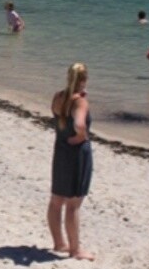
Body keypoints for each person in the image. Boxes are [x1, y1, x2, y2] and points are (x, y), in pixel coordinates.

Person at [47, 63, 94, 261]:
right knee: (74, 204)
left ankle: (59, 242)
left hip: (60, 150)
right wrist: (81, 137)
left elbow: (59, 117)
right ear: (83, 80)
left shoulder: (58, 97)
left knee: (57, 199)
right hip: (76, 154)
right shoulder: (80, 102)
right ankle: (75, 249)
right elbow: (80, 124)